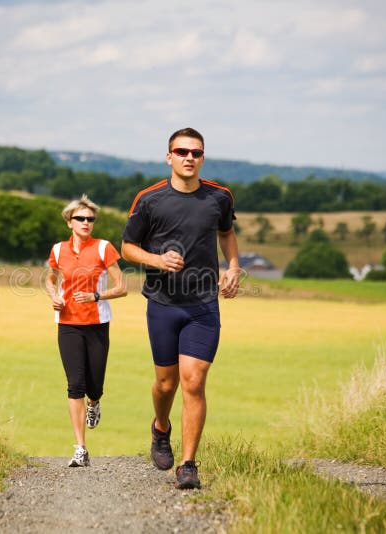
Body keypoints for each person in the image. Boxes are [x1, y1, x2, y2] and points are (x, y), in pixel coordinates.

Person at [121, 127, 240, 489]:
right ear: (169, 156)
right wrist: (157, 260)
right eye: (182, 151)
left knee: (194, 380)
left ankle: (188, 465)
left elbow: (226, 233)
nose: (189, 157)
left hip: (203, 304)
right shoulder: (149, 199)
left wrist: (233, 267)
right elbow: (127, 248)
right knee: (165, 382)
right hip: (163, 304)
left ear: (203, 158)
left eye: (196, 152)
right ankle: (161, 427)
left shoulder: (219, 197)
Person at [45, 194, 127, 467]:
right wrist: (53, 296)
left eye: (90, 219)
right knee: (75, 385)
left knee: (95, 385)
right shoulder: (58, 250)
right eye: (80, 218)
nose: (86, 222)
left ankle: (95, 403)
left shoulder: (104, 248)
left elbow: (122, 287)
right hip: (68, 324)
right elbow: (50, 279)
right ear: (69, 222)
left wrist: (96, 296)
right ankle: (80, 448)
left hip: (97, 324)